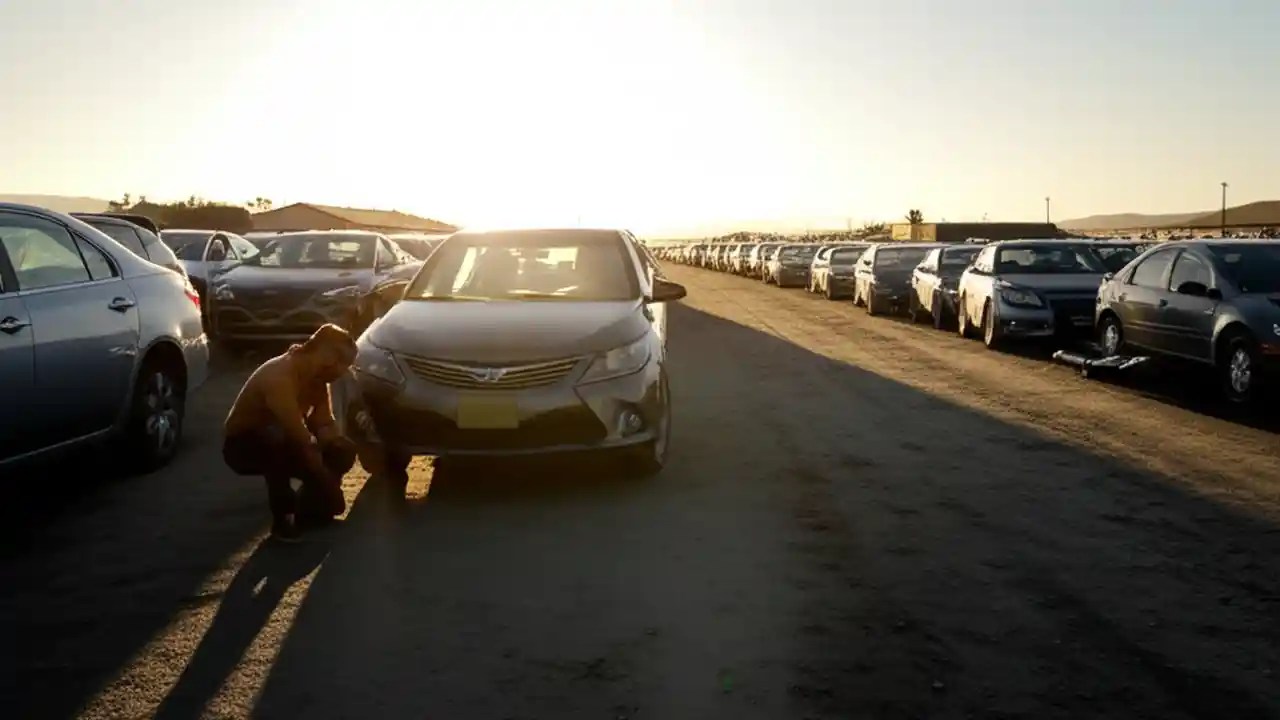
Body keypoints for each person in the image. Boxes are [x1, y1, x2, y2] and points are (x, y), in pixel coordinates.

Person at [222, 324, 359, 542]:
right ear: (329, 357)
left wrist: (335, 447)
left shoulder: (317, 379)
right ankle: (283, 517)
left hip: (289, 439)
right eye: (345, 364)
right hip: (243, 446)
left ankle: (310, 506)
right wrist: (326, 483)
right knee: (274, 439)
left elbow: (324, 423)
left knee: (342, 448)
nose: (345, 372)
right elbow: (300, 437)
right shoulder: (279, 376)